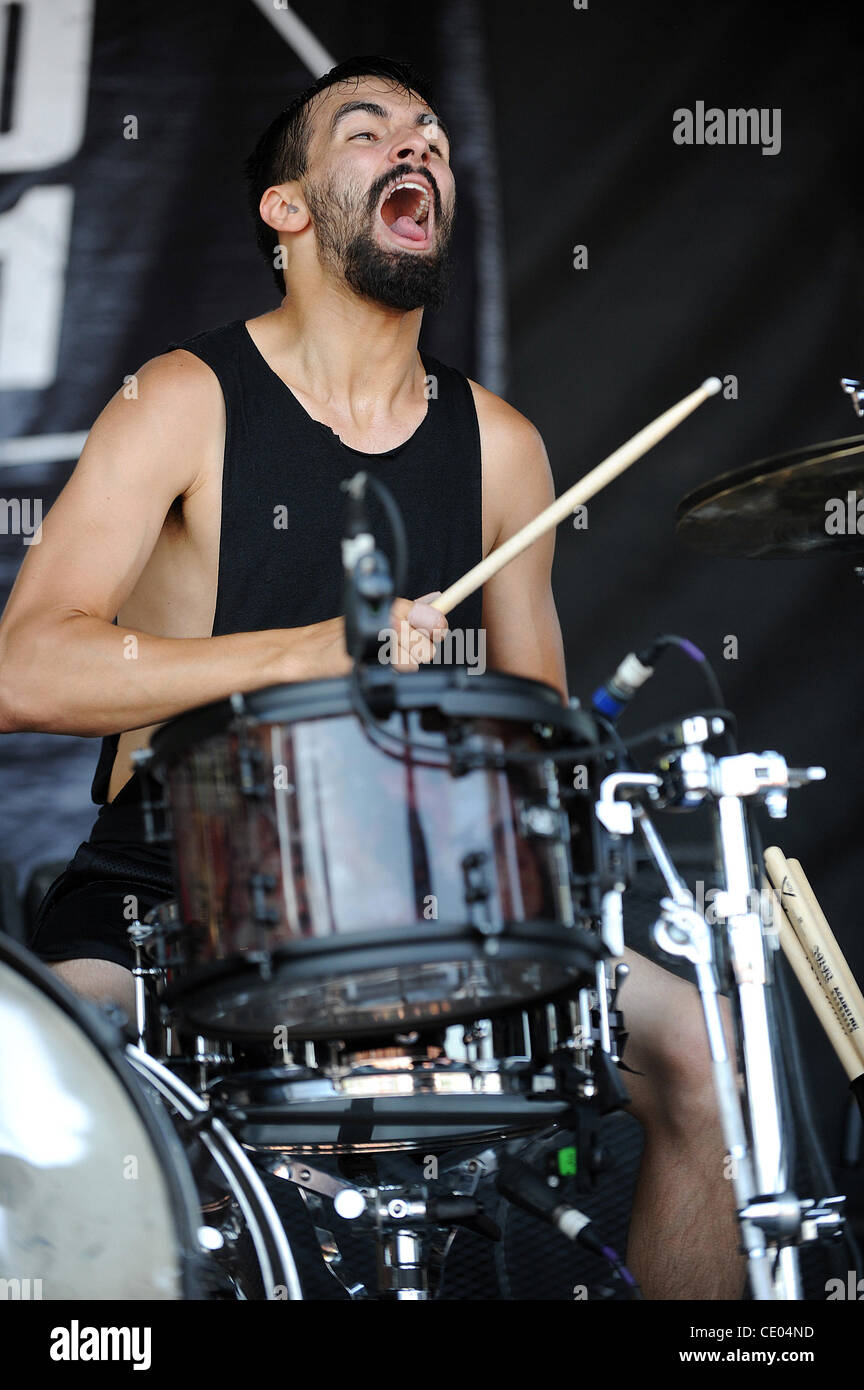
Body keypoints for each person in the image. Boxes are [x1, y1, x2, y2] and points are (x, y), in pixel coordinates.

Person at [0, 56, 742, 1299]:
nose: (420, 148)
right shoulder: (181, 401)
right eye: (370, 130)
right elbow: (24, 664)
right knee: (37, 1079)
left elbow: (541, 746)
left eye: (434, 135)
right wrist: (307, 653)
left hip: (423, 885)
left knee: (698, 1051)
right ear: (286, 209)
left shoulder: (501, 445)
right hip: (171, 884)